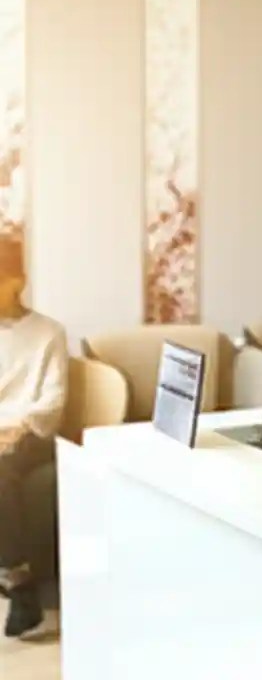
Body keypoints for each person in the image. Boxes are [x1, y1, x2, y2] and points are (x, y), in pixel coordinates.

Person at [0, 236, 68, 638]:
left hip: (32, 435)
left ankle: (18, 584)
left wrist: (16, 426)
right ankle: (18, 578)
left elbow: (53, 401)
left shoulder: (49, 333)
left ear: (17, 282)